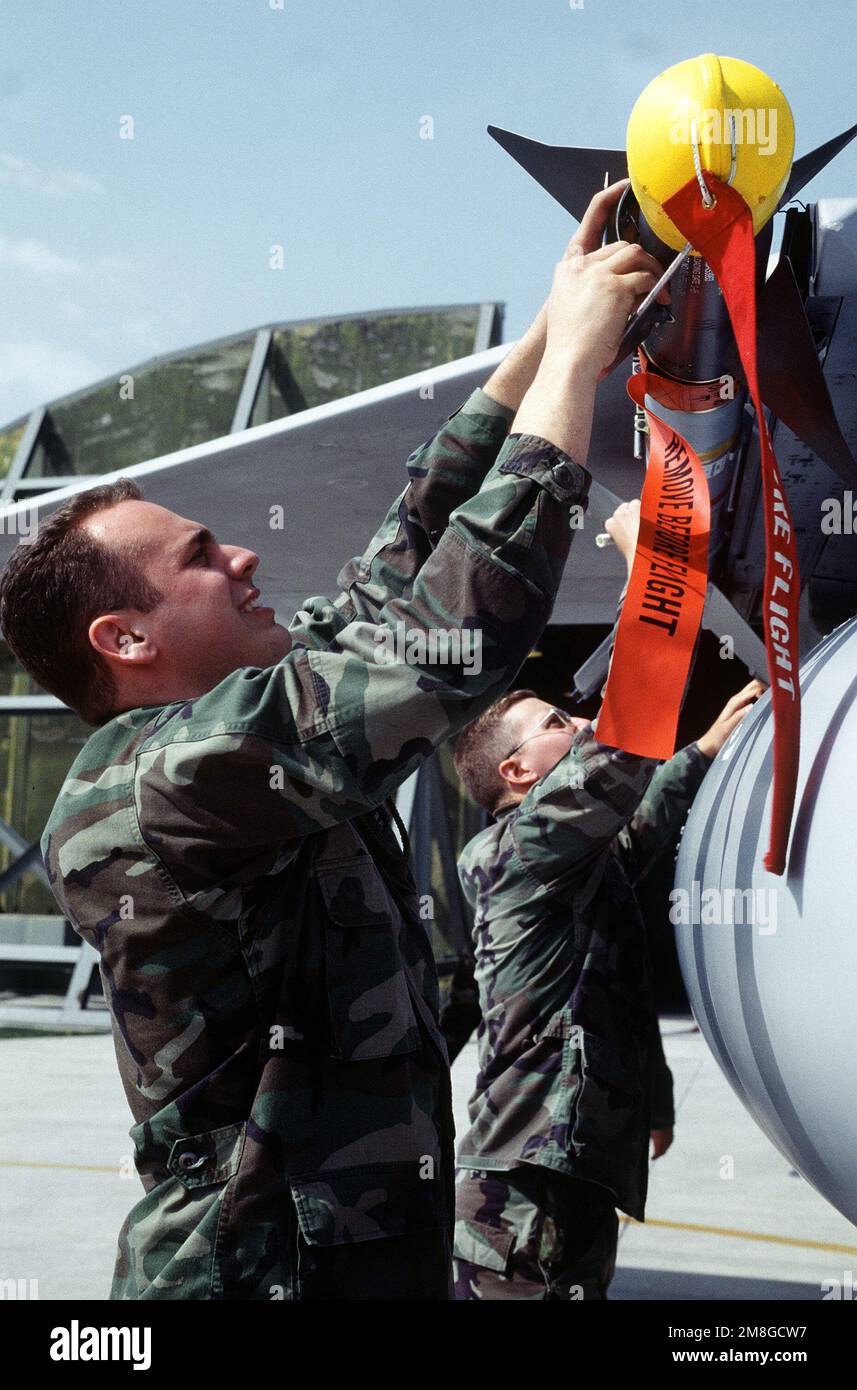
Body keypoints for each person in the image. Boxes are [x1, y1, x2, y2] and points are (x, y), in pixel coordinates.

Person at [0, 182, 667, 1301]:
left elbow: (397, 558)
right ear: (123, 636)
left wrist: (551, 334)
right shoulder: (155, 780)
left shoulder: (242, 723)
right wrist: (570, 373)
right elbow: (437, 647)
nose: (246, 560)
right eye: (203, 555)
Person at [451, 498, 764, 1300]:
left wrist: (702, 750)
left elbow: (641, 826)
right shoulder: (523, 848)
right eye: (558, 720)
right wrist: (647, 567)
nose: (582, 718)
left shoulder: (566, 862)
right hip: (523, 1189)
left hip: (559, 1171)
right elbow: (627, 736)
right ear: (519, 774)